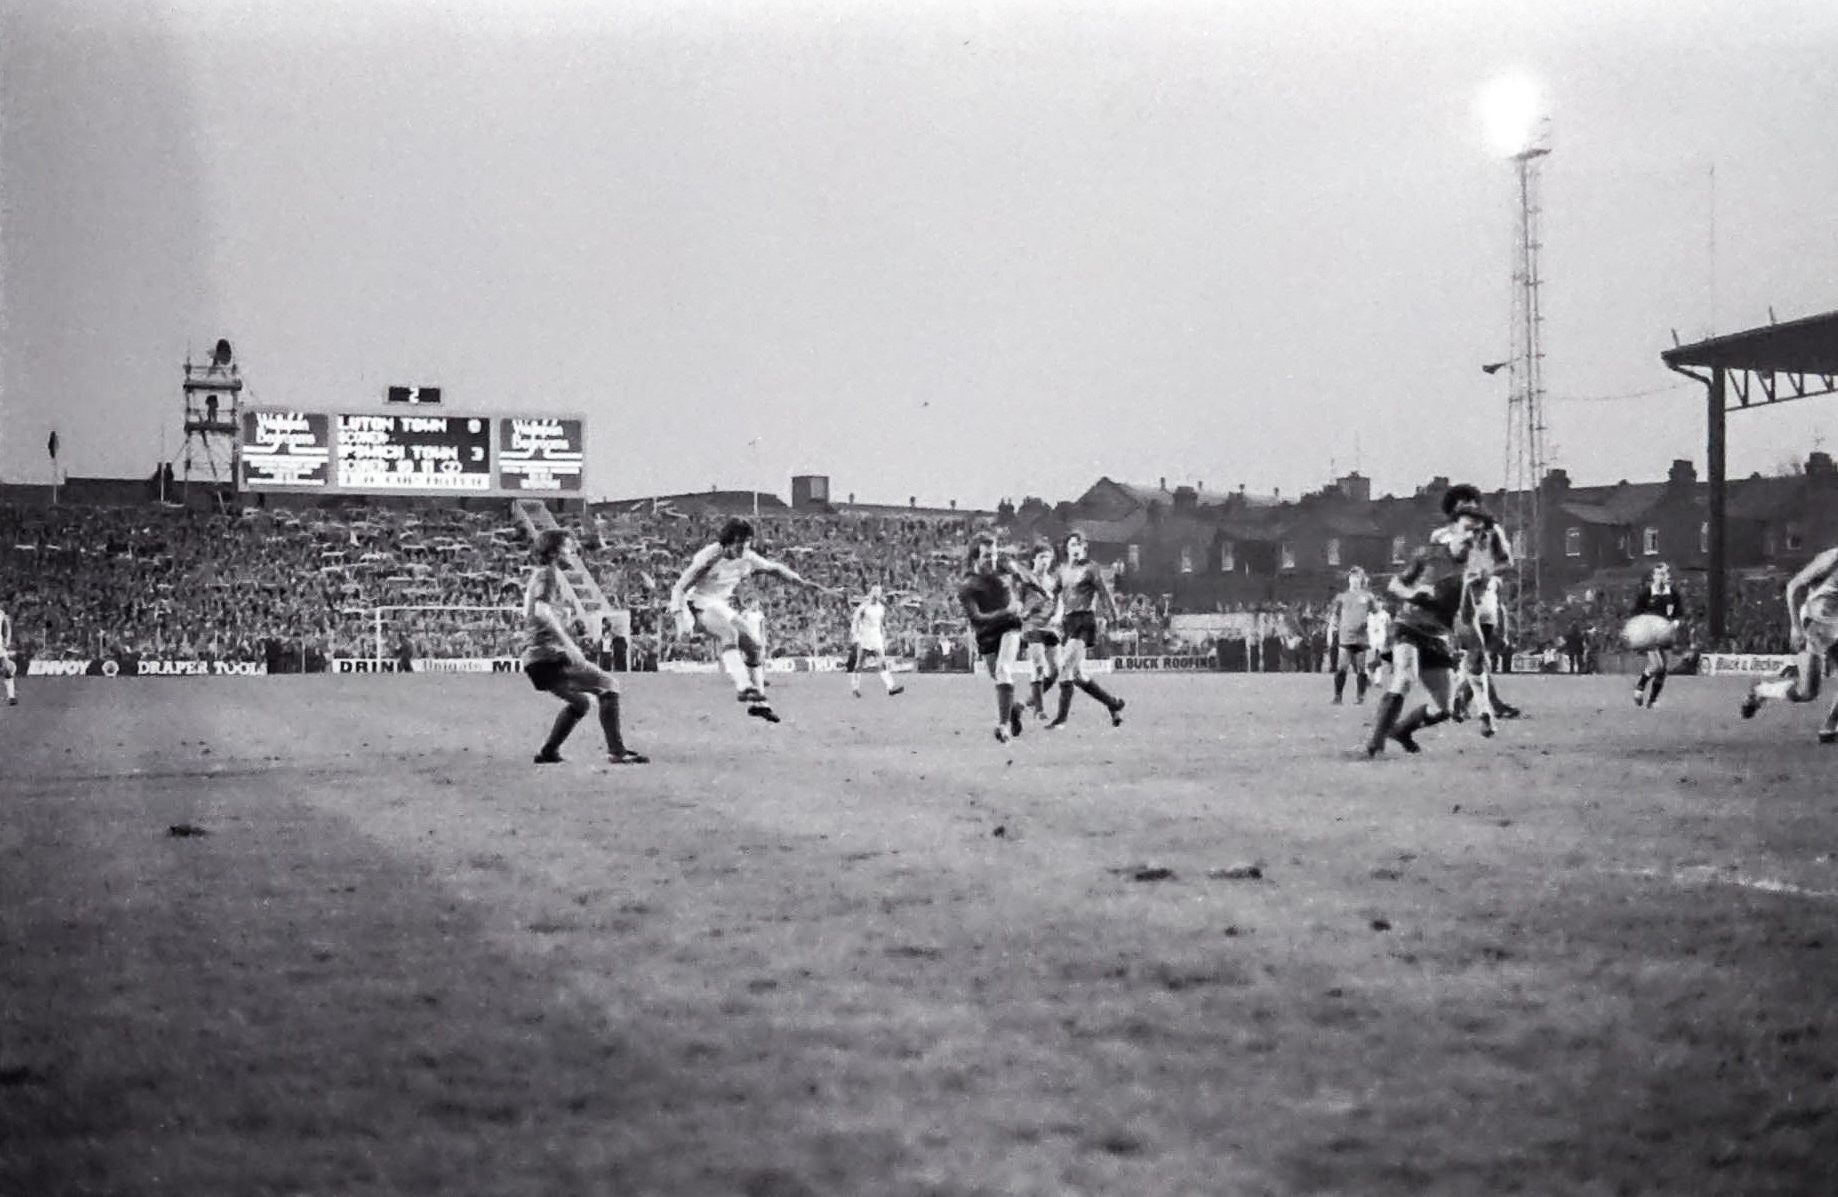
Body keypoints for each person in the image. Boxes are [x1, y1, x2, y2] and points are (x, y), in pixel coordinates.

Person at [668, 517, 837, 723]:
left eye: (746, 544)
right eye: (739, 544)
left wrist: (803, 583)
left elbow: (775, 569)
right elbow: (679, 588)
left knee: (755, 646)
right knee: (729, 633)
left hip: (719, 603)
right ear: (727, 543)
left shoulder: (747, 558)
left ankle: (760, 704)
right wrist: (679, 619)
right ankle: (742, 686)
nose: (743, 549)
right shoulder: (709, 558)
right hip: (695, 602)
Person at [521, 529, 647, 765]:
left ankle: (549, 752)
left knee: (580, 702)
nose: (573, 552)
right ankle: (617, 752)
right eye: (569, 547)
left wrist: (564, 618)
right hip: (550, 656)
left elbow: (530, 612)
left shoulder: (542, 575)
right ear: (556, 551)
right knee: (610, 686)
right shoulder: (548, 573)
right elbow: (541, 610)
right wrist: (568, 644)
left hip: (534, 660)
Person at [1366, 546, 1465, 756]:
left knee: (1444, 708)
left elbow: (1470, 612)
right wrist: (1413, 594)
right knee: (1405, 677)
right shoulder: (1429, 555)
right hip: (1409, 626)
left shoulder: (1474, 570)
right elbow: (1395, 584)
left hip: (1438, 637)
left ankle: (1401, 730)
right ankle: (1376, 743)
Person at [1739, 546, 1838, 741]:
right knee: (1807, 692)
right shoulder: (1832, 558)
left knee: (1809, 690)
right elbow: (1793, 586)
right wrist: (1795, 627)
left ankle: (1830, 726)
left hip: (1835, 626)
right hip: (1815, 623)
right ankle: (1762, 690)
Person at [1046, 530, 1125, 729]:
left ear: (1084, 548)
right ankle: (1113, 704)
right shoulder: (1062, 570)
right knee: (1078, 676)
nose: (1075, 549)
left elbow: (1104, 593)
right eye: (1071, 545)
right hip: (1068, 622)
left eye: (1078, 546)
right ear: (1066, 548)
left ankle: (1061, 720)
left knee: (1064, 667)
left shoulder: (1091, 568)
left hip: (1085, 621)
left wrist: (1113, 616)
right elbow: (1052, 594)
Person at [958, 532, 1027, 742]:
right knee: (998, 676)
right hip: (986, 632)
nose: (993, 560)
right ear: (975, 558)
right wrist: (1008, 610)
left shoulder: (1006, 568)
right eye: (987, 556)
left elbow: (1025, 578)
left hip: (1010, 627)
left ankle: (1003, 727)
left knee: (1003, 670)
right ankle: (1013, 710)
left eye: (994, 554)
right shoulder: (968, 585)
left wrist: (1034, 595)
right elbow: (977, 619)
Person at [1015, 541, 1061, 718]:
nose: (1045, 561)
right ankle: (1039, 710)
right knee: (1039, 666)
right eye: (1042, 557)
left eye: (1048, 557)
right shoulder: (1025, 581)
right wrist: (1025, 612)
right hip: (1032, 626)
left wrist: (1058, 615)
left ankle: (1026, 702)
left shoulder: (1053, 581)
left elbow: (1060, 602)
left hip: (1050, 627)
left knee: (1055, 670)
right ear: (1034, 559)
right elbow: (1019, 605)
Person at [1631, 562, 1685, 709]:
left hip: (1665, 635)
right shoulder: (1646, 594)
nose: (1660, 577)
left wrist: (1675, 623)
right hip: (1650, 635)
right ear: (1653, 576)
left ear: (1667, 577)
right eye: (1658, 574)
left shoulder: (1673, 594)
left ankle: (1651, 700)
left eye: (1663, 574)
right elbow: (1636, 613)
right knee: (1658, 665)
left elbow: (1679, 614)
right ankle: (1640, 688)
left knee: (1663, 669)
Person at [1326, 567, 1380, 705]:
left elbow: (1377, 613)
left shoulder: (1367, 596)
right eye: (1352, 577)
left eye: (1357, 578)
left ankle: (1360, 696)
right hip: (1346, 637)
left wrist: (1372, 626)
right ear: (1349, 579)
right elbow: (1335, 615)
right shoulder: (1342, 597)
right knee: (1342, 667)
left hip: (1362, 637)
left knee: (1361, 668)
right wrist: (1332, 630)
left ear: (1361, 580)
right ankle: (1338, 697)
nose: (1355, 580)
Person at [847, 585, 904, 698]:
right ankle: (855, 688)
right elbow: (856, 621)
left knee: (882, 663)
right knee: (859, 664)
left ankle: (891, 688)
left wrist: (883, 637)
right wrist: (855, 635)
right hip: (865, 637)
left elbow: (881, 624)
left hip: (876, 638)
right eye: (875, 592)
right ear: (871, 593)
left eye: (878, 592)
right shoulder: (864, 607)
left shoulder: (880, 608)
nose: (876, 594)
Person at [1, 604, 16, 706]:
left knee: (7, 672)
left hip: (0, 649)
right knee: (7, 671)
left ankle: (12, 697)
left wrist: (7, 642)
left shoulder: (1, 613)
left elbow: (7, 627)